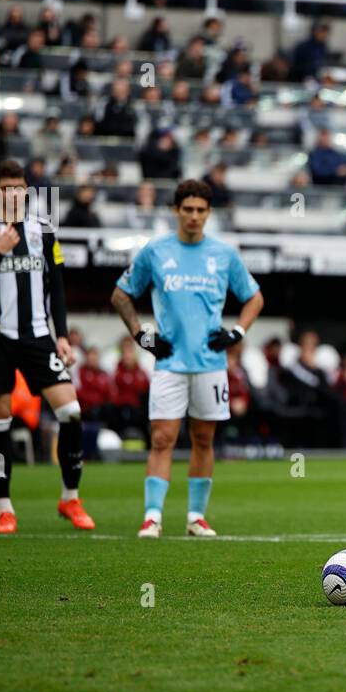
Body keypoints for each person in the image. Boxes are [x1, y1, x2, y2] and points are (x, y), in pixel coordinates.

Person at [111, 179, 265, 538]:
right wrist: (140, 335)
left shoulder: (224, 254)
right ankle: (153, 517)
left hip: (211, 364)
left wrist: (237, 333)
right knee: (162, 438)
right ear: (176, 211)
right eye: (188, 209)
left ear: (208, 213)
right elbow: (120, 295)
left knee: (204, 440)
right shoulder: (156, 251)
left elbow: (255, 298)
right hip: (169, 363)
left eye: (200, 210)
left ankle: (196, 516)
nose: (194, 216)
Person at [0, 159, 96, 535]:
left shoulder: (45, 233)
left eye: (20, 188)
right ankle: (5, 508)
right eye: (6, 189)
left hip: (37, 336)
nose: (14, 195)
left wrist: (62, 334)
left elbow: (58, 288)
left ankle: (70, 497)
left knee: (70, 410)